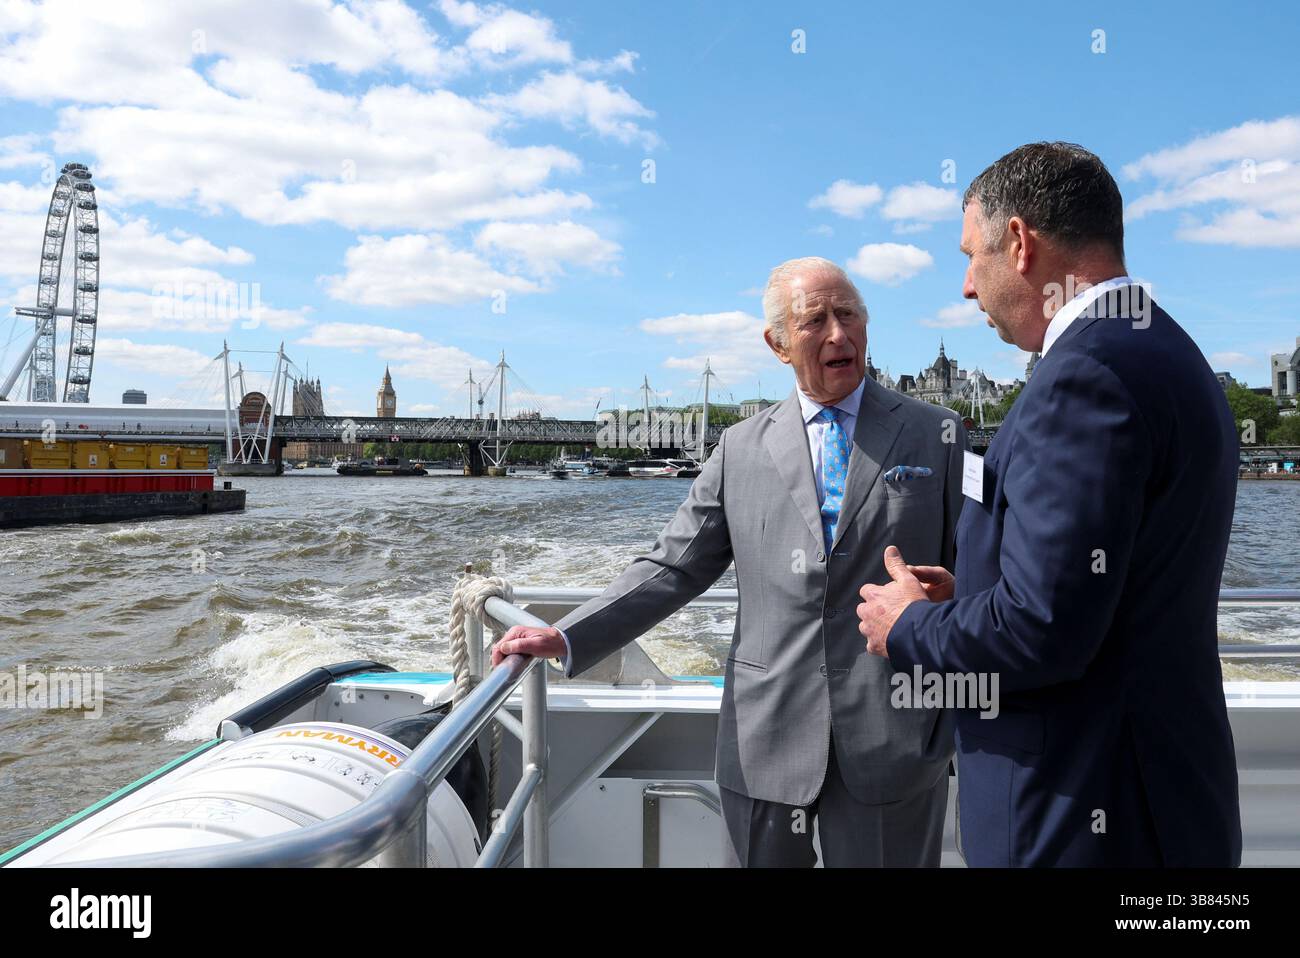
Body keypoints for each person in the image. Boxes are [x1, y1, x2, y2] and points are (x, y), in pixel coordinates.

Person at [492, 256, 967, 866]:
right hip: (764, 737)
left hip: (895, 735)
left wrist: (953, 596)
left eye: (849, 315)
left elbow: (983, 564)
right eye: (814, 321)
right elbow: (675, 566)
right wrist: (564, 634)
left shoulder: (940, 433)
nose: (838, 335)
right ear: (776, 344)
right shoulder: (740, 447)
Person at [857, 142, 1241, 867]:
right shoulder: (1165, 350)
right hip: (1165, 804)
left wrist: (909, 627)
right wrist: (966, 596)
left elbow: (1044, 628)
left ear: (1020, 242)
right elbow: (1109, 590)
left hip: (1081, 815)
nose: (968, 286)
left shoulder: (1083, 376)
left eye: (971, 256)